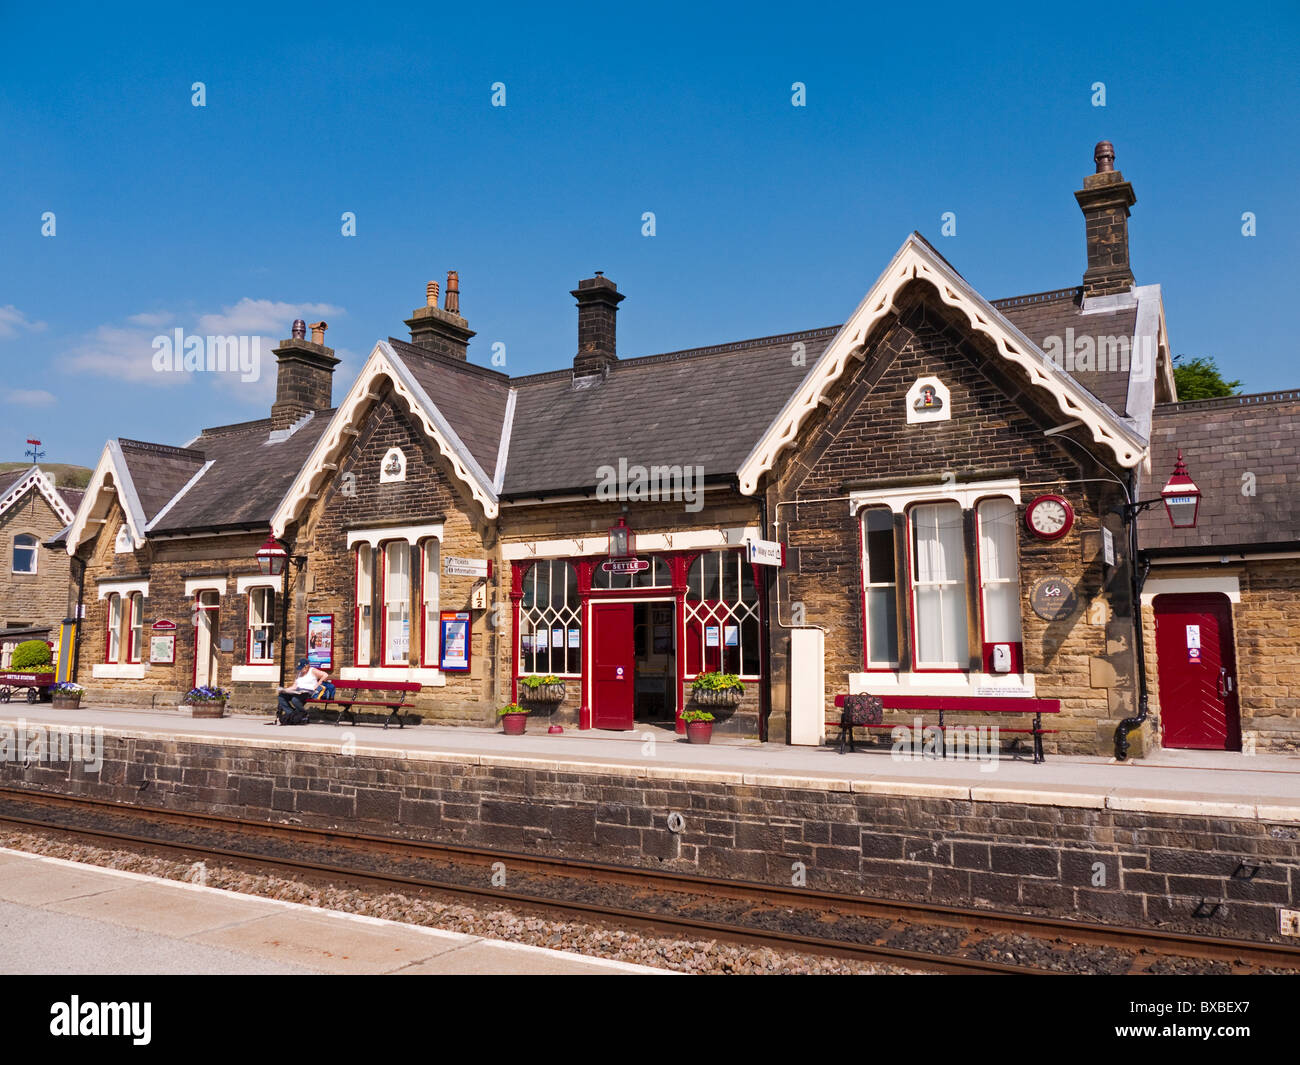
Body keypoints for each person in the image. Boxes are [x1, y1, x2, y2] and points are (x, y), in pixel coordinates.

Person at [276, 659, 331, 725]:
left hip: (308, 691)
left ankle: (304, 714)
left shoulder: (312, 670)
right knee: (281, 697)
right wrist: (285, 690)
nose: (300, 670)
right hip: (298, 691)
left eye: (301, 668)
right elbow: (294, 686)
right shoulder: (299, 674)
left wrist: (318, 684)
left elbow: (325, 675)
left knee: (295, 699)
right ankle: (291, 713)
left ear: (306, 666)